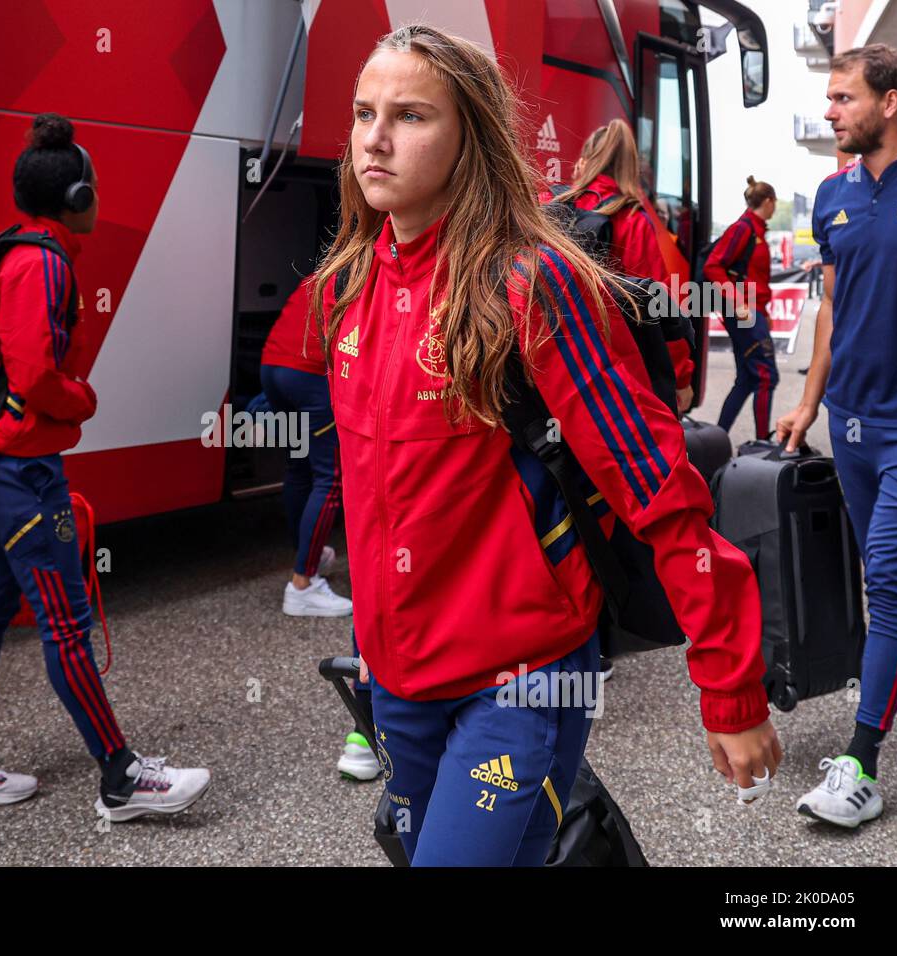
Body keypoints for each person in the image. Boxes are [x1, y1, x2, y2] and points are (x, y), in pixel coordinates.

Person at [308, 24, 781, 866]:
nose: (375, 138)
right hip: (398, 683)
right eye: (362, 113)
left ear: (471, 140)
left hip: (521, 679)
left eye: (410, 116)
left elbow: (656, 487)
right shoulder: (349, 283)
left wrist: (731, 684)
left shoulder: (530, 280)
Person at [0, 113, 210, 822]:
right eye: (97, 189)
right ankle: (122, 779)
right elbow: (36, 373)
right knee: (66, 625)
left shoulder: (12, 251)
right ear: (77, 199)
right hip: (21, 470)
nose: (101, 200)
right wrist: (84, 398)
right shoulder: (44, 263)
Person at [778, 44, 897, 828]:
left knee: (891, 582)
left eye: (844, 98)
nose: (830, 111)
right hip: (850, 424)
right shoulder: (831, 195)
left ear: (890, 103)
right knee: (879, 579)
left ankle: (860, 763)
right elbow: (830, 307)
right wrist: (806, 401)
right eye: (828, 99)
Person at [553, 118, 695, 418]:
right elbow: (659, 306)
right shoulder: (632, 219)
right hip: (616, 381)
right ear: (631, 165)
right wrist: (681, 378)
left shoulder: (553, 205)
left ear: (585, 160)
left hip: (557, 373)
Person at [258, 277, 352, 618]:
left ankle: (306, 554)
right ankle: (304, 583)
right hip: (310, 374)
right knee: (330, 480)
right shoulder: (371, 264)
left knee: (299, 468)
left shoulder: (330, 267)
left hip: (273, 367)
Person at [705, 176, 778, 441]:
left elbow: (754, 278)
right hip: (744, 313)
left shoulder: (755, 230)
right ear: (768, 201)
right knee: (767, 377)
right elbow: (712, 266)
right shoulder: (743, 229)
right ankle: (762, 444)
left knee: (748, 378)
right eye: (775, 203)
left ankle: (717, 439)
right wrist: (738, 302)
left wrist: (764, 312)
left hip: (752, 311)